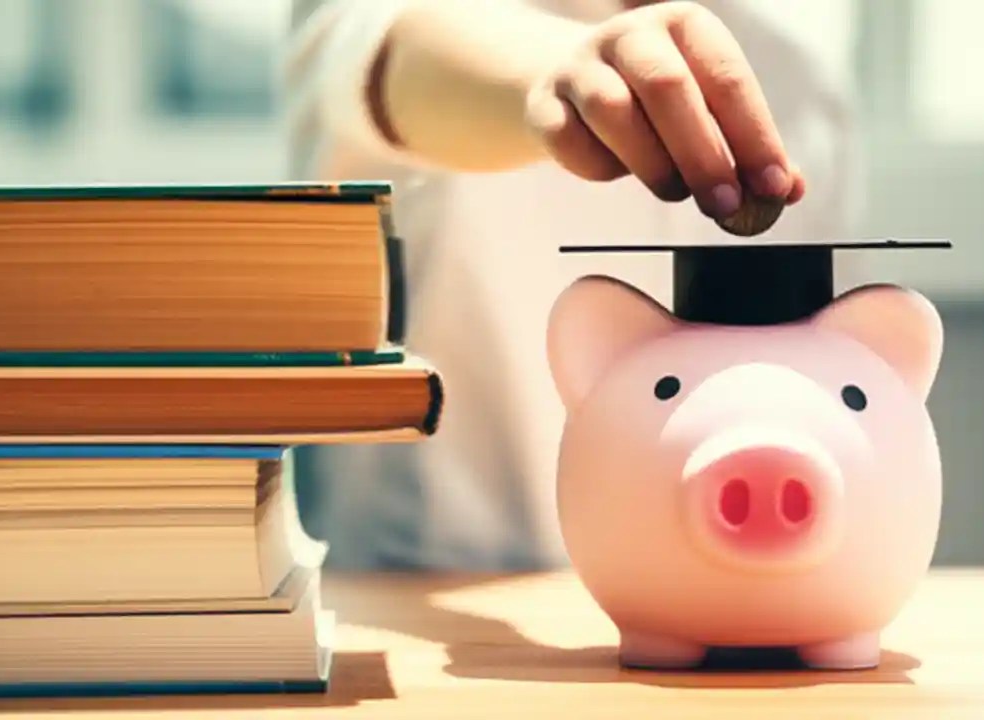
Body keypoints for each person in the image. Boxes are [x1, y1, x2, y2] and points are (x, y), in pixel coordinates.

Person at [282, 0, 862, 570]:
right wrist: (557, 71)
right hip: (412, 583)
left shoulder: (800, 83)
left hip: (724, 587)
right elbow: (394, 49)